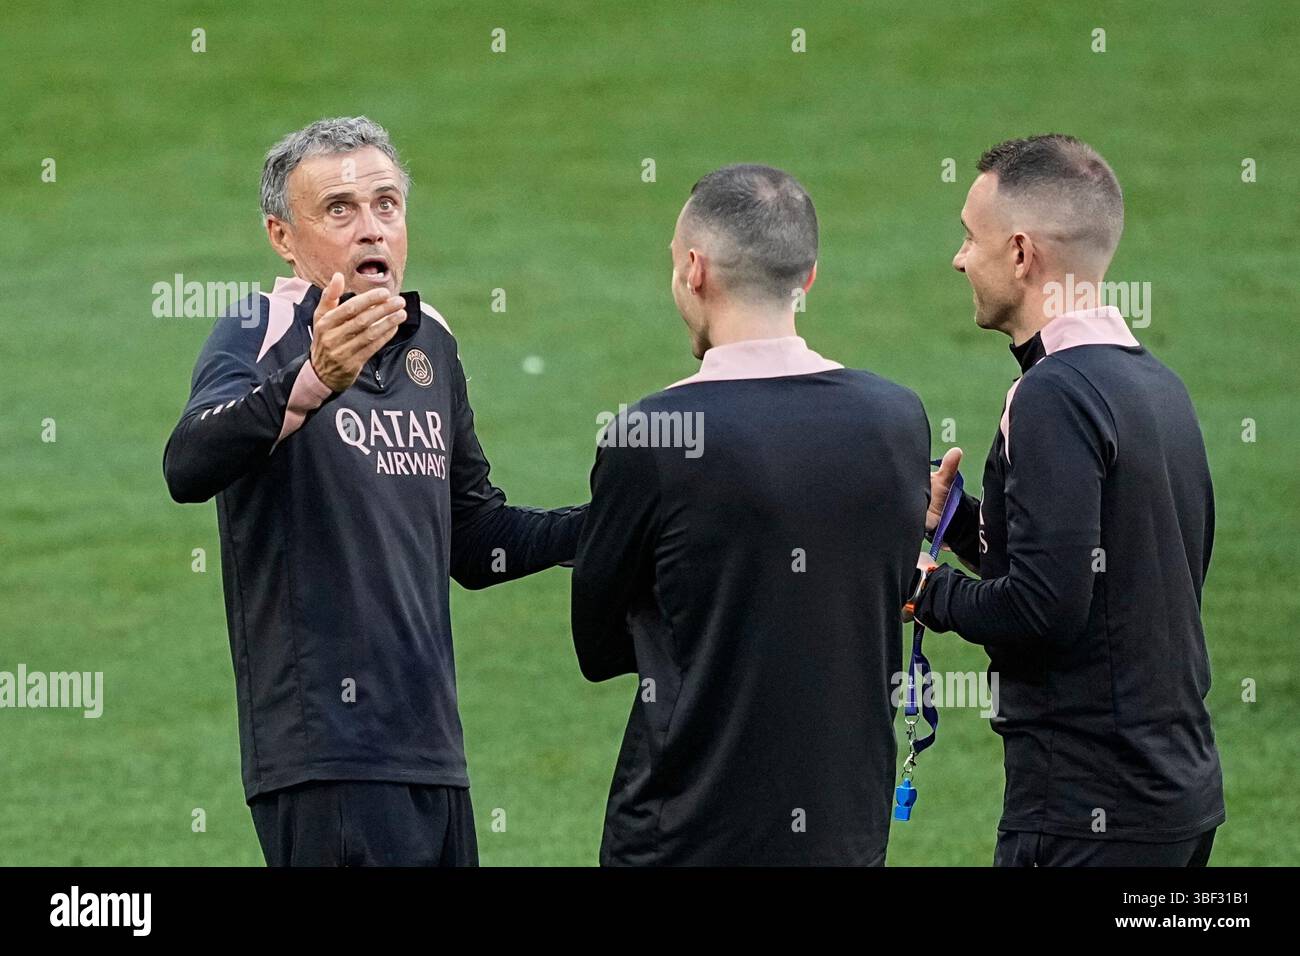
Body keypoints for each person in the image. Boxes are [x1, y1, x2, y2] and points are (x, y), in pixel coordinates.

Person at [163, 116, 585, 866]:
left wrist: (611, 522)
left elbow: (475, 539)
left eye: (387, 205)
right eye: (339, 210)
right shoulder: (259, 327)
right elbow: (188, 463)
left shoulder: (432, 343)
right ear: (281, 237)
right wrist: (313, 380)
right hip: (325, 751)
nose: (371, 230)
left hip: (432, 751)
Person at [571, 164, 930, 865]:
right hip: (843, 836)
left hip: (684, 837)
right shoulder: (897, 418)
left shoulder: (652, 433)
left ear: (695, 270)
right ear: (810, 278)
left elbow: (600, 643)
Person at [910, 134, 1223, 866]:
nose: (959, 258)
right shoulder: (1155, 384)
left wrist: (924, 592)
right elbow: (1109, 568)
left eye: (968, 236)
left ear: (1021, 254)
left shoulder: (1052, 395)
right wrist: (965, 527)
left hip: (1087, 810)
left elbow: (1043, 610)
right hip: (1176, 796)